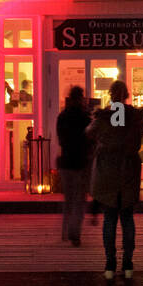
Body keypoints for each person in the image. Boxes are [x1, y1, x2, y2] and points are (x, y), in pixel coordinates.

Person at [86, 80, 143, 283]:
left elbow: (89, 133)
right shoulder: (135, 117)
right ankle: (128, 263)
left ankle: (110, 264)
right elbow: (137, 140)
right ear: (127, 94)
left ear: (110, 95)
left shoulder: (103, 116)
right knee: (127, 218)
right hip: (128, 171)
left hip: (108, 172)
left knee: (110, 219)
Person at [56, 85, 91, 246]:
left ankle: (64, 231)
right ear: (81, 98)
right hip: (80, 162)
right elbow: (89, 138)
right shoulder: (84, 117)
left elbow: (60, 139)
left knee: (68, 199)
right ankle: (74, 232)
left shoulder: (62, 116)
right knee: (79, 200)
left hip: (65, 162)